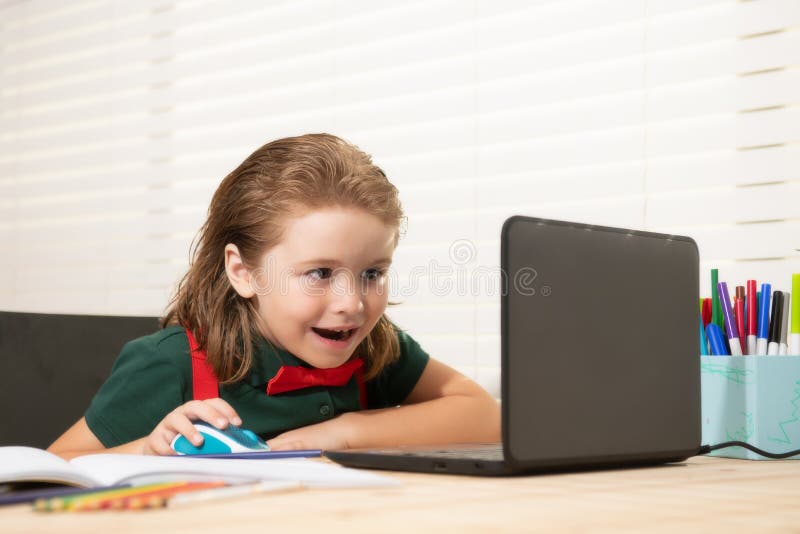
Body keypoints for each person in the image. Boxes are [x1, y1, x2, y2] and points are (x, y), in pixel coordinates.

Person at [48, 133, 500, 460]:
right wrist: (147, 450)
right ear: (243, 272)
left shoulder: (374, 347)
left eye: (372, 273)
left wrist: (342, 432)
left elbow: (484, 414)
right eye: (320, 273)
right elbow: (56, 466)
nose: (352, 303)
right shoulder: (170, 363)